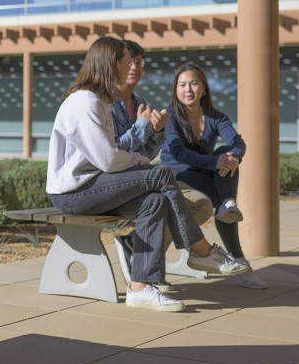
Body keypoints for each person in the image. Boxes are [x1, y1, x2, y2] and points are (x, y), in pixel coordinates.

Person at [45, 36, 249, 313]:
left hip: (94, 184)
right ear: (110, 63)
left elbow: (112, 156)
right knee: (160, 175)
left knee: (156, 201)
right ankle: (201, 251)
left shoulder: (99, 102)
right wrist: (141, 156)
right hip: (73, 194)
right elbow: (108, 159)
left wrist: (149, 139)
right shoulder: (85, 103)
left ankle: (140, 287)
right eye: (126, 61)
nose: (131, 67)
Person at [109, 40, 213, 293]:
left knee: (201, 204)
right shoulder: (105, 103)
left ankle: (134, 247)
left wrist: (156, 131)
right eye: (130, 61)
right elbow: (110, 150)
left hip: (142, 176)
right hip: (112, 181)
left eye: (140, 62)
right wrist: (143, 128)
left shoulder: (140, 101)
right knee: (165, 201)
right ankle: (148, 268)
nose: (135, 67)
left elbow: (147, 152)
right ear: (116, 65)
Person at [161, 62, 268, 289]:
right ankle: (238, 257)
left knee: (225, 153)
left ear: (203, 88)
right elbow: (178, 152)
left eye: (193, 84)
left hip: (204, 175)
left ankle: (227, 205)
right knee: (222, 187)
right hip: (176, 176)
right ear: (175, 89)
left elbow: (237, 142)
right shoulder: (169, 117)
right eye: (182, 85)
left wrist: (235, 157)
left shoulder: (215, 117)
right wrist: (215, 162)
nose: (188, 90)